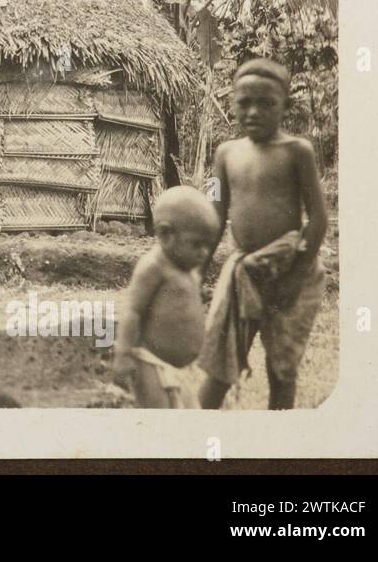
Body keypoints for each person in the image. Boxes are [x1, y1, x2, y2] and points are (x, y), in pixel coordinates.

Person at [197, 58, 329, 410]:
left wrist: (296, 275)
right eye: (244, 103)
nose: (253, 112)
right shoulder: (224, 154)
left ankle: (277, 444)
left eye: (266, 103)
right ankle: (192, 440)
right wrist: (197, 269)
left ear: (285, 105)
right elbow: (214, 210)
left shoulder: (297, 152)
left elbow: (317, 219)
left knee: (281, 369)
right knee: (219, 368)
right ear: (232, 102)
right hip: (243, 273)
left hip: (288, 269)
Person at [113, 186, 220, 408]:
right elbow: (132, 310)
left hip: (183, 370)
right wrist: (123, 354)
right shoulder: (153, 267)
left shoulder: (187, 268)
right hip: (151, 364)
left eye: (208, 247)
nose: (204, 254)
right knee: (158, 422)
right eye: (196, 244)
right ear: (165, 234)